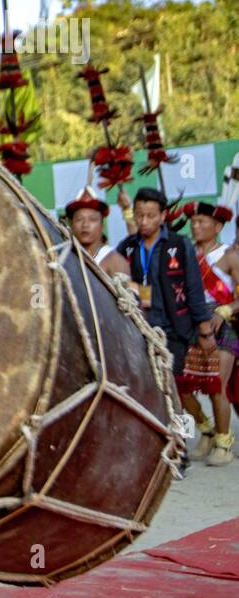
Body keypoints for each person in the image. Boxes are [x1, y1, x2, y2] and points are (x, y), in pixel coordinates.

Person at [117, 187, 218, 459]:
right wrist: (134, 287)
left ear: (162, 215)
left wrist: (204, 326)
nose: (144, 221)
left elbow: (194, 286)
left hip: (175, 329)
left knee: (174, 387)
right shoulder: (126, 247)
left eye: (150, 215)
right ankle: (172, 438)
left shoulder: (179, 244)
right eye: (139, 215)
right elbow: (115, 281)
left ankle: (181, 448)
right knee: (151, 389)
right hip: (140, 329)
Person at [184, 200, 239, 465]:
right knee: (181, 386)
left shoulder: (230, 256)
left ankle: (224, 445)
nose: (195, 226)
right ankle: (205, 430)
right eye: (193, 222)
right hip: (191, 324)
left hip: (222, 325)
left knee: (217, 385)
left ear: (217, 226)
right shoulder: (184, 254)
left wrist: (224, 311)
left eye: (201, 222)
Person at [64, 186, 130, 276]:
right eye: (79, 219)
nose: (85, 224)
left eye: (92, 219)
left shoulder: (115, 261)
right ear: (71, 225)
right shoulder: (64, 258)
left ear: (102, 226)